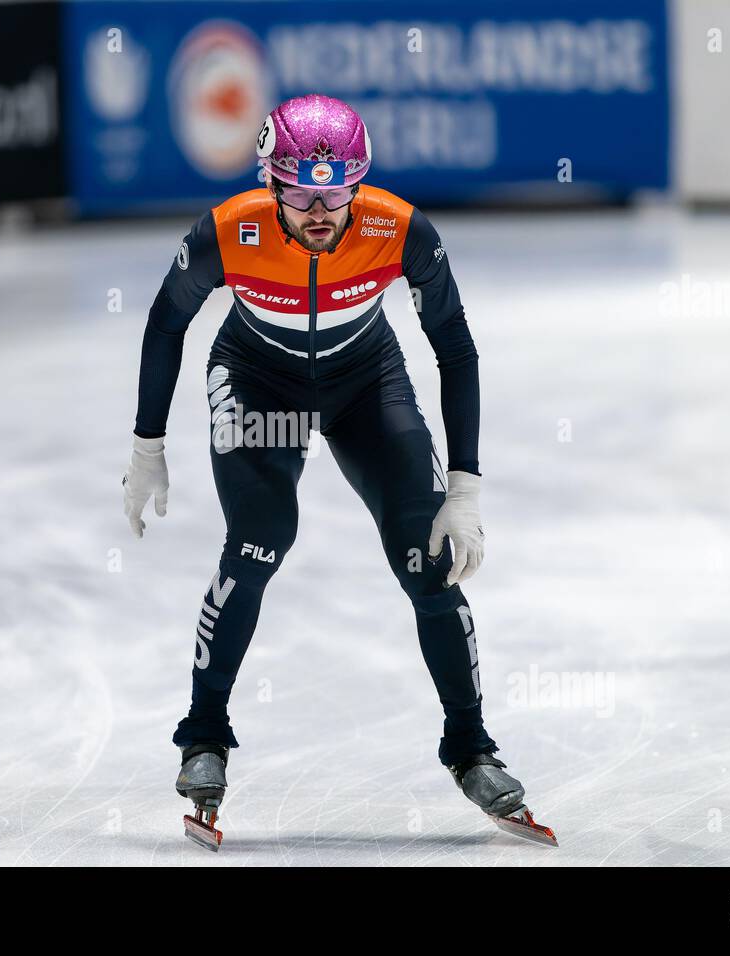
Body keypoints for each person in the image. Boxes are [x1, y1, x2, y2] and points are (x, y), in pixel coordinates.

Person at [123, 94, 550, 849]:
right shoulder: (230, 230)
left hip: (365, 385)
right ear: (270, 182)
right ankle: (204, 734)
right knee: (260, 536)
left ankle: (472, 746)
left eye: (337, 192)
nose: (321, 210)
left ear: (359, 182)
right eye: (301, 192)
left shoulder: (399, 227)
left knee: (428, 563)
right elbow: (167, 321)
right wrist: (147, 447)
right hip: (257, 379)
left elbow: (455, 346)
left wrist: (466, 488)